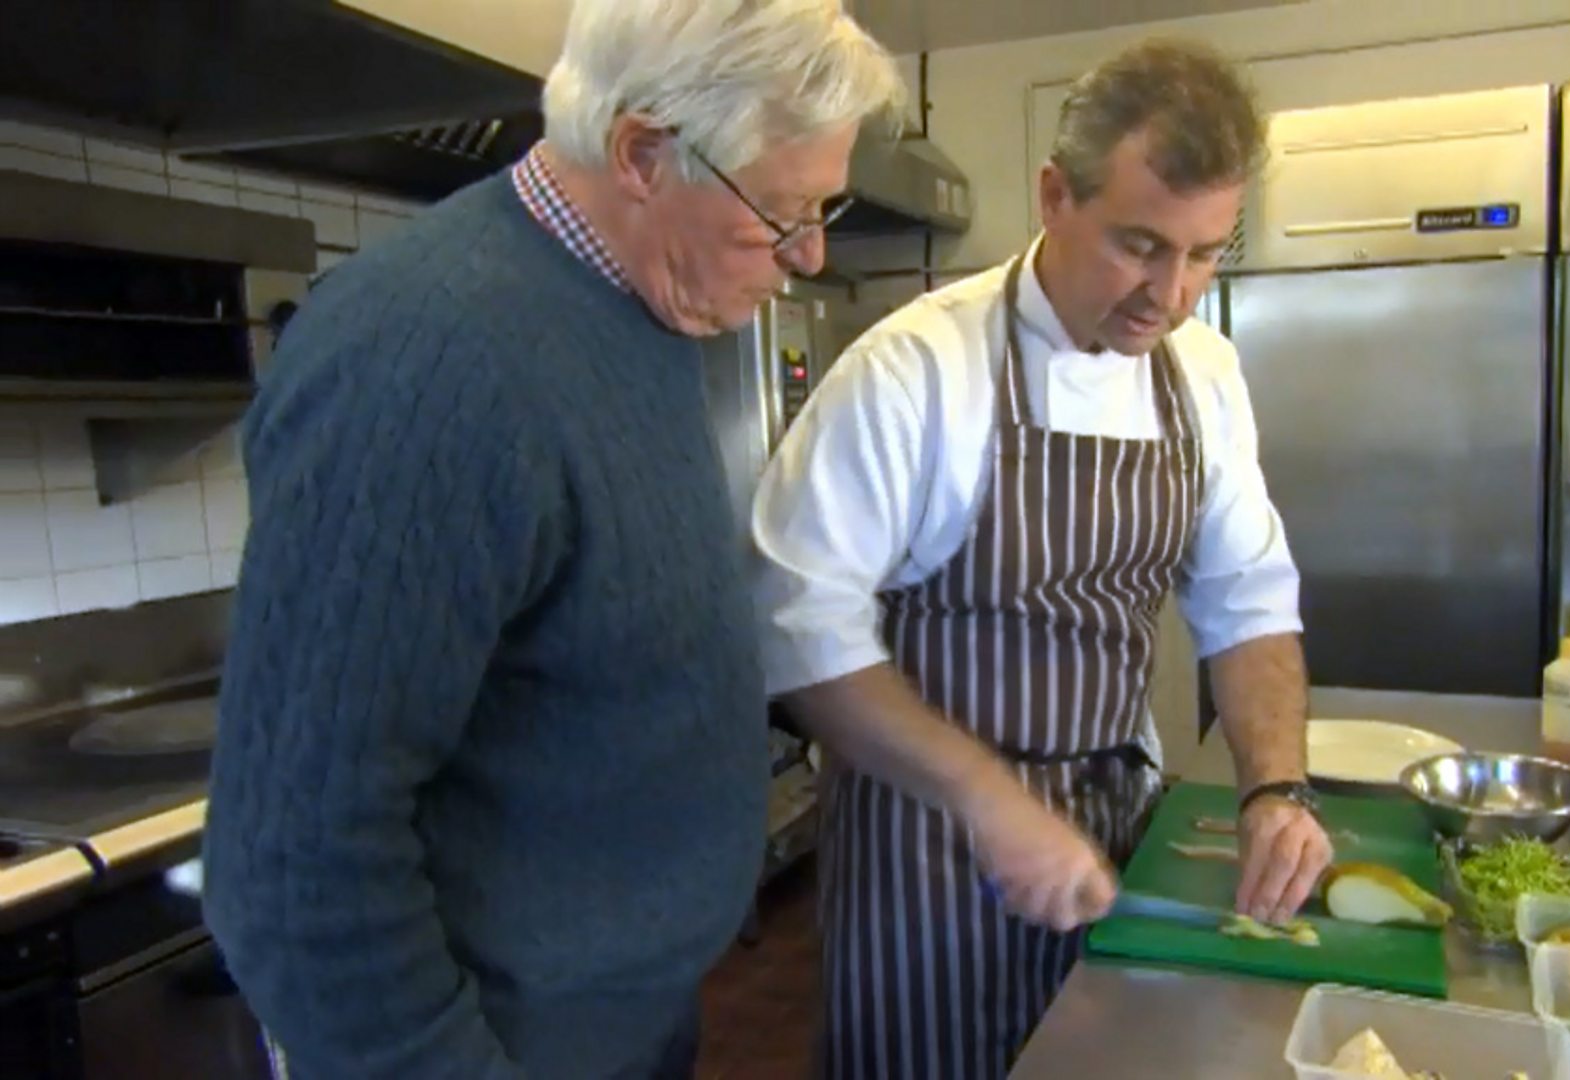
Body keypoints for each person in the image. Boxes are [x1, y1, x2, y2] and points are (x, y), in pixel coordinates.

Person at [201, 2, 900, 1077]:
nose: (807, 256)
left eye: (824, 210)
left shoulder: (643, 308)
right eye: (783, 213)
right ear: (640, 153)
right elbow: (297, 864)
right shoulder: (425, 362)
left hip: (628, 1022)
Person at [753, 38, 1331, 1079]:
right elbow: (797, 633)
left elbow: (1247, 602)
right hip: (926, 860)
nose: (1171, 293)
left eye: (1206, 254)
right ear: (1055, 194)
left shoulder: (1203, 373)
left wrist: (1273, 791)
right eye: (1140, 245)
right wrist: (989, 798)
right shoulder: (917, 371)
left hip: (1116, 838)